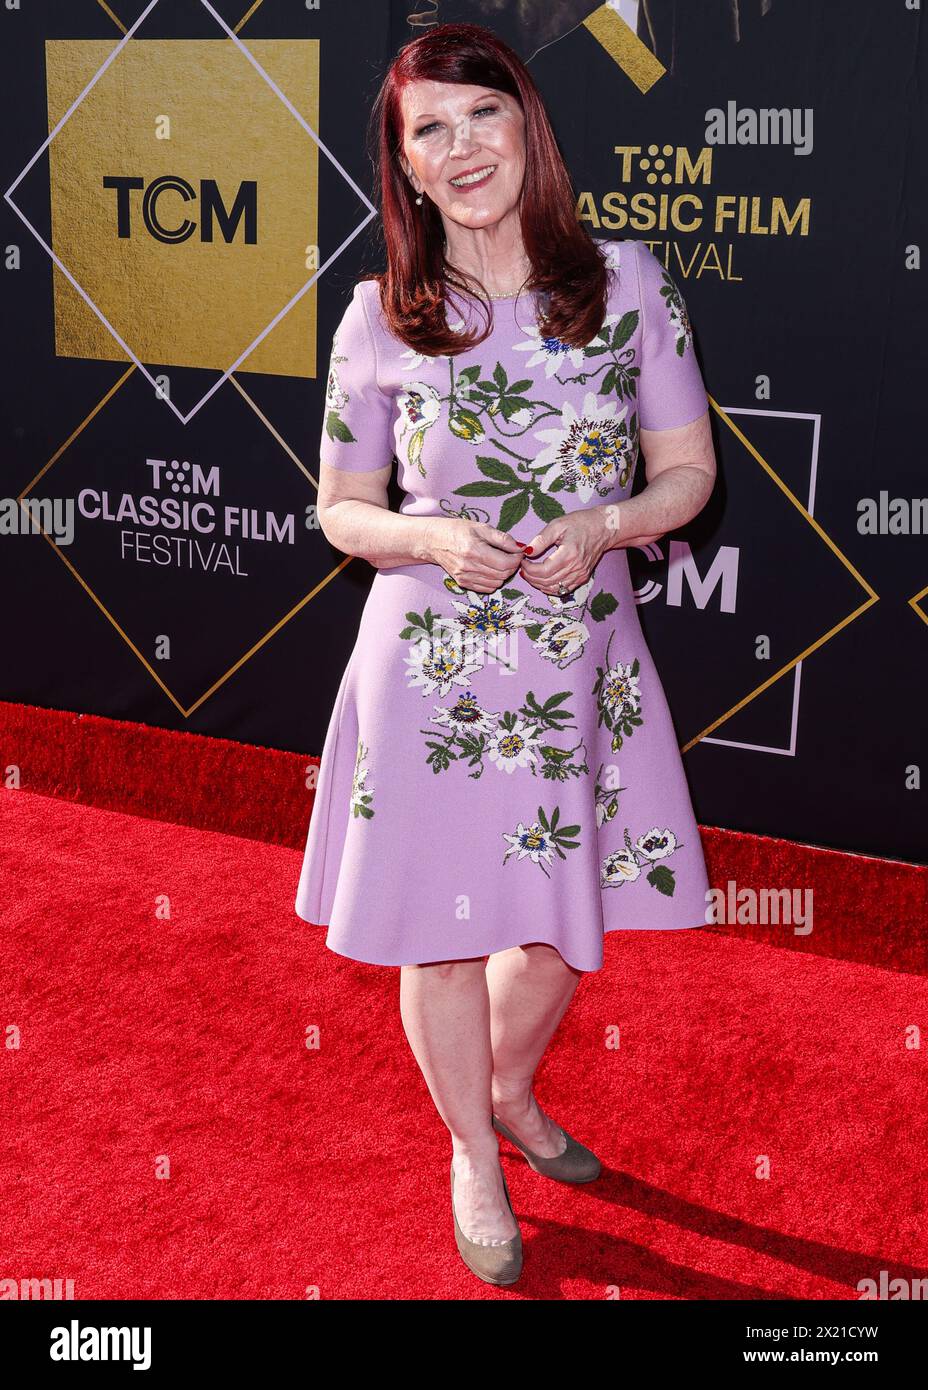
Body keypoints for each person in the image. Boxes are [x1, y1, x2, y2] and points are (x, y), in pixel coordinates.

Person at [295, 21, 716, 1287]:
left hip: (573, 656)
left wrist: (609, 523)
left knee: (548, 935)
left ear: (527, 126)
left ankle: (513, 1088)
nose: (461, 146)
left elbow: (689, 475)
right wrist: (424, 540)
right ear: (407, 169)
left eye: (481, 114)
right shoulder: (378, 317)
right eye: (431, 130)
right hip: (426, 663)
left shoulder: (628, 282)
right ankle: (474, 1148)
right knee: (437, 931)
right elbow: (340, 510)